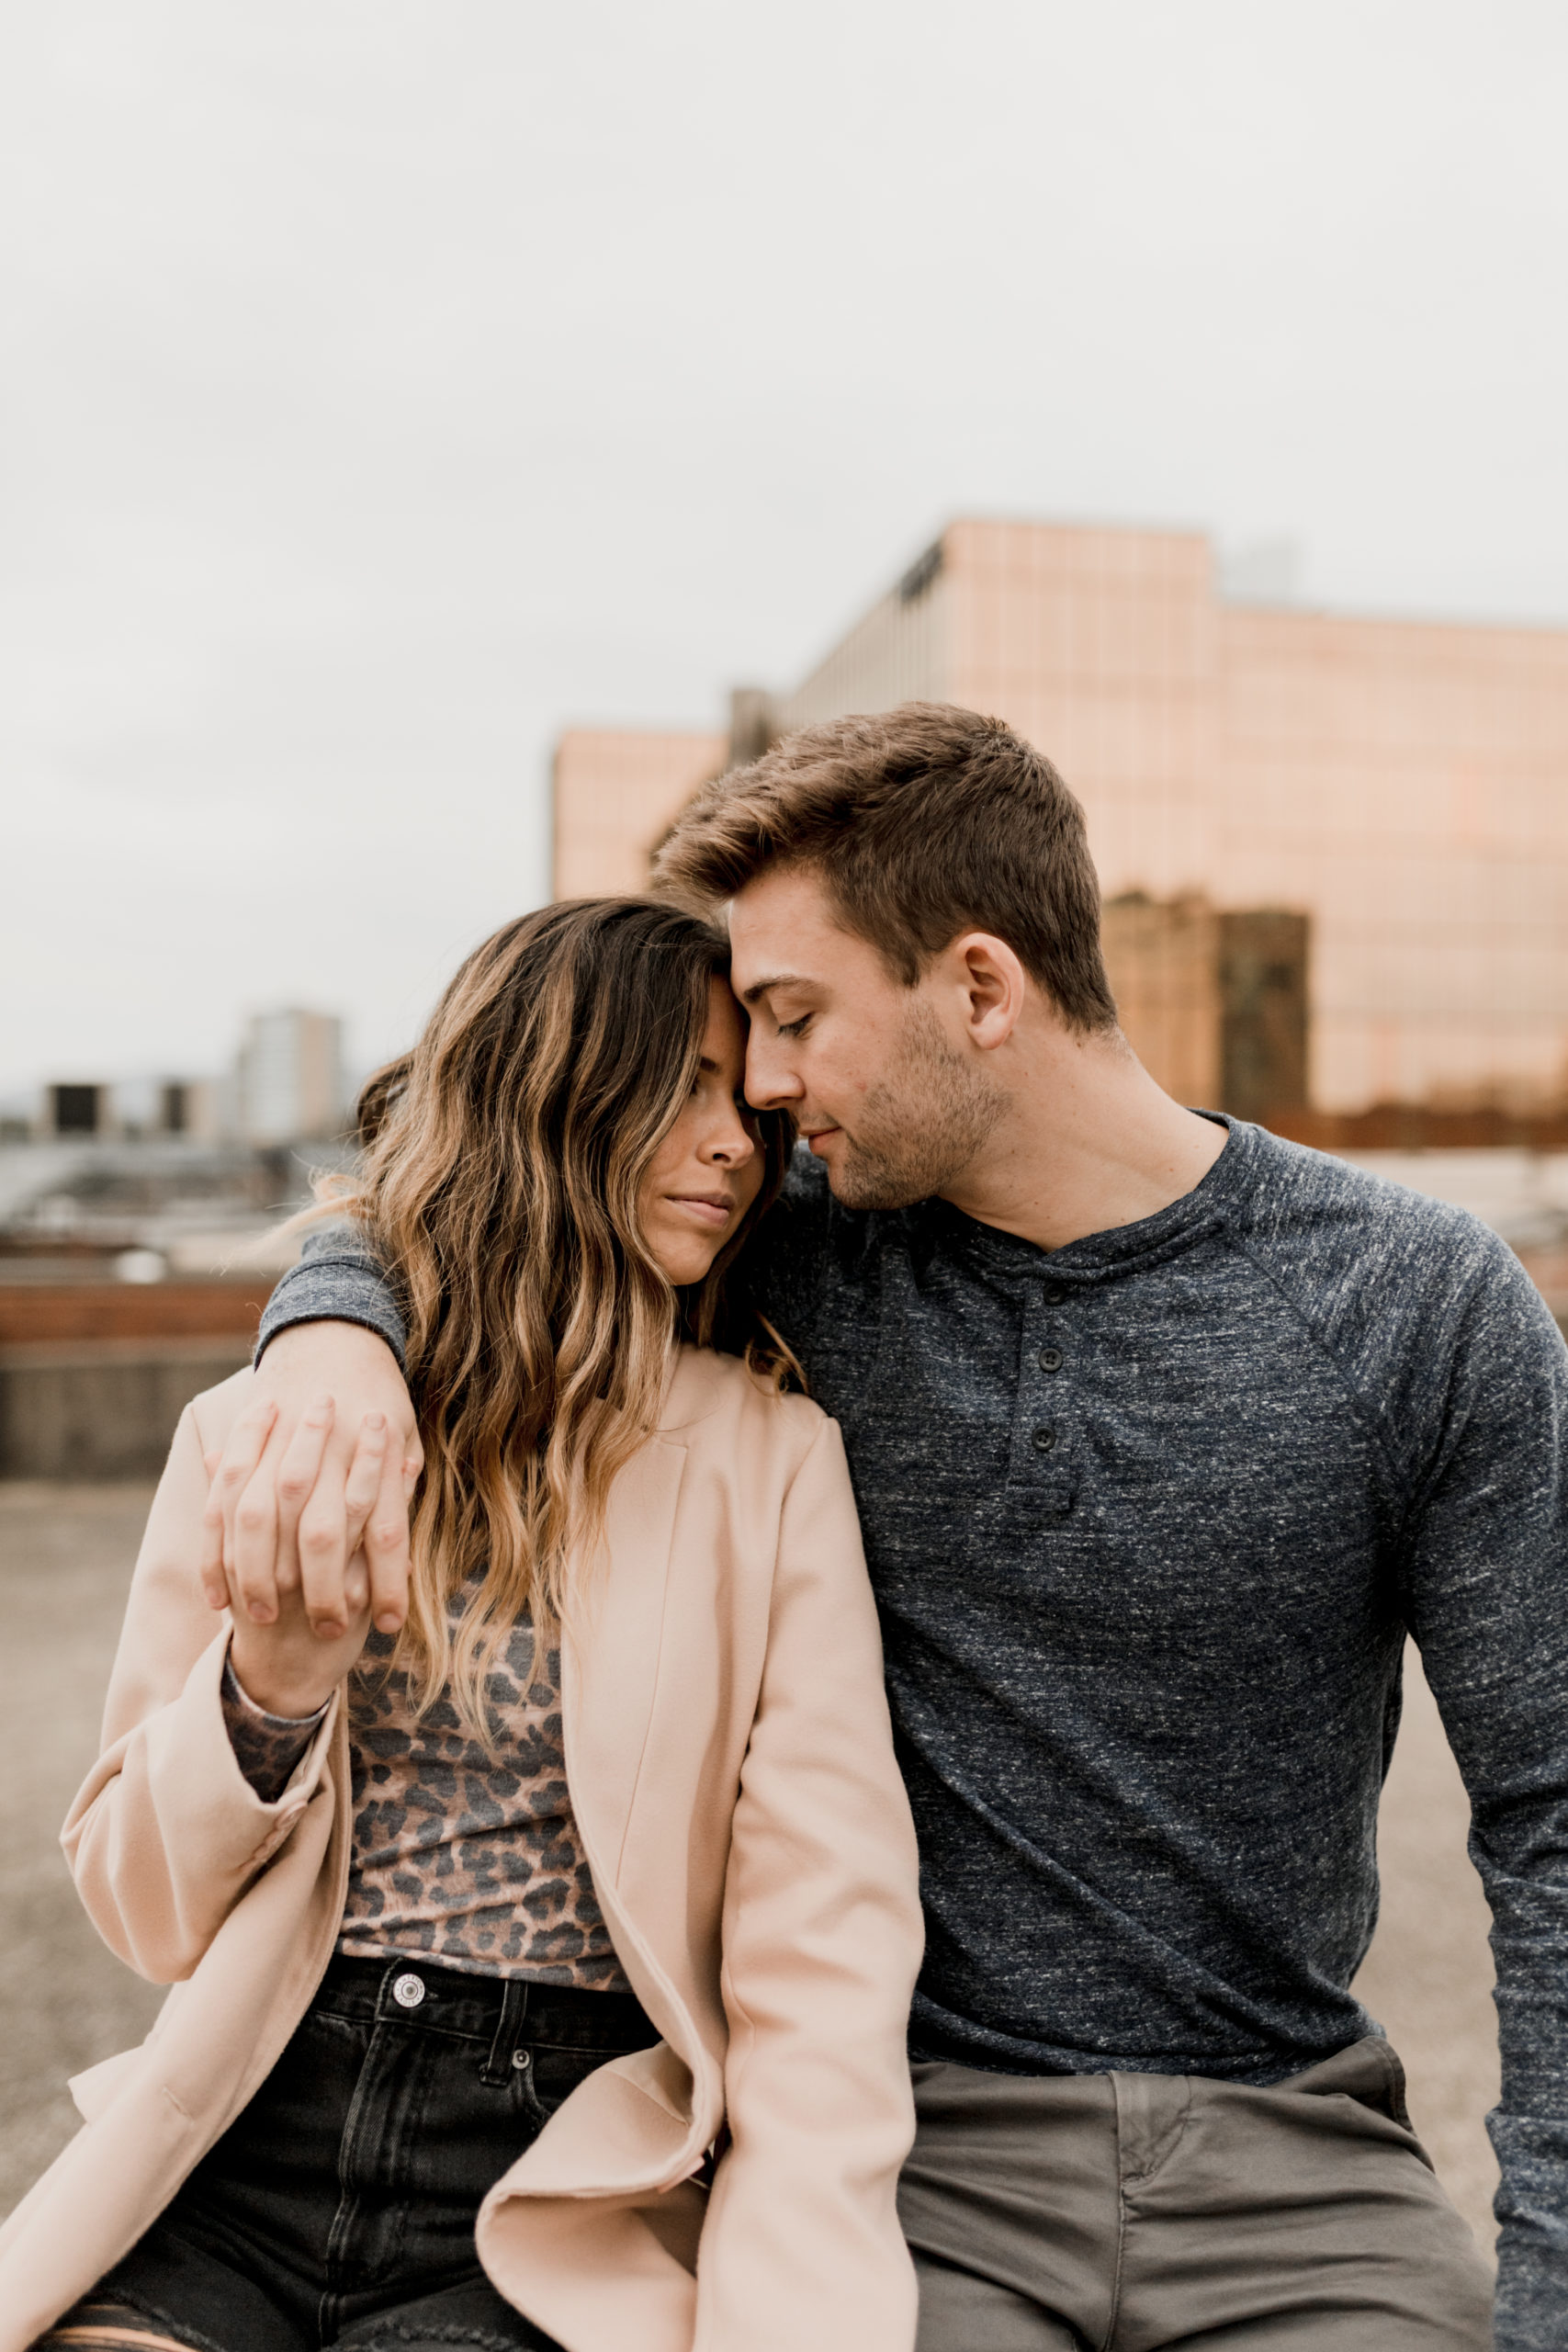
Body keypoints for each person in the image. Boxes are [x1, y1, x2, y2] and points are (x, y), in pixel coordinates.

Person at [188, 703, 1564, 2349]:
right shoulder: (797, 1247)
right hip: (913, 2165)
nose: (759, 1090)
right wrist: (335, 1335)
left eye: (790, 1018)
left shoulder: (1417, 1301)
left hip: (1300, 2159)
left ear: (980, 988)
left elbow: (1554, 1818)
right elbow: (471, 1174)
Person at [3, 899, 923, 2352]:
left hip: (549, 2183)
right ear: (544, 1087)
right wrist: (273, 1689)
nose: (740, 1142)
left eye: (746, 1100)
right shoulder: (265, 1432)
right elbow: (141, 1911)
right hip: (245, 2138)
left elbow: (825, 1951)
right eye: (681, 1083)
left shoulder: (772, 1463)